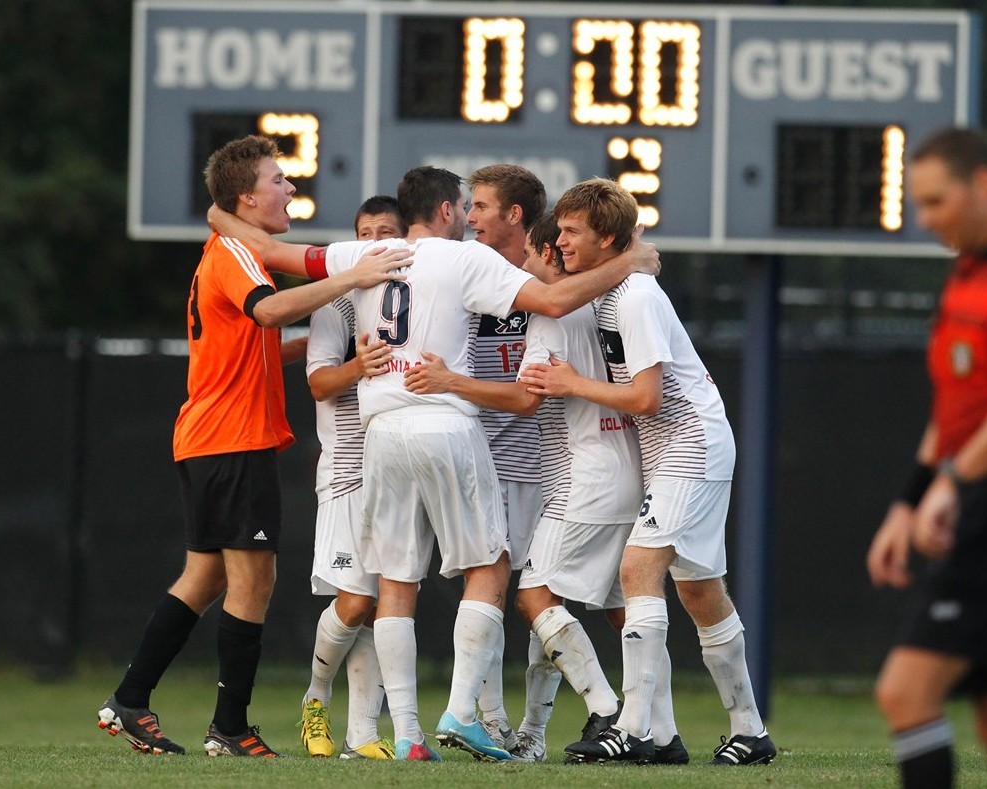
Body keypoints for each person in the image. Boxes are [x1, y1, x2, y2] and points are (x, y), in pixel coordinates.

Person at [209, 165, 655, 762]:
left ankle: (409, 736)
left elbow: (267, 251)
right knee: (490, 568)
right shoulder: (463, 258)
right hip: (445, 421)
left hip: (381, 430)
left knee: (396, 581)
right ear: (446, 211)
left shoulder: (361, 255)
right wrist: (630, 261)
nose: (468, 217)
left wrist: (216, 213)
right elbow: (552, 297)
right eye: (464, 207)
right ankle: (462, 714)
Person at [96, 135, 410, 758]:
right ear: (246, 197)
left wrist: (327, 349)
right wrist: (353, 275)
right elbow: (267, 313)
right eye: (278, 180)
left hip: (212, 437)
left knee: (206, 575)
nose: (290, 189)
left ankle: (130, 699)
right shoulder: (237, 250)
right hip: (231, 439)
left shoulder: (231, 250)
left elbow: (256, 343)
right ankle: (230, 727)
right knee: (254, 579)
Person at [404, 212, 685, 765]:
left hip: (585, 477)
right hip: (621, 468)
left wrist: (449, 381)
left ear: (548, 255)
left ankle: (608, 711)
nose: (525, 263)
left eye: (534, 253)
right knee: (622, 611)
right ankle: (662, 733)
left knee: (534, 597)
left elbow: (525, 398)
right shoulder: (602, 304)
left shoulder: (551, 319)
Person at [521, 177, 775, 765]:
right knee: (700, 590)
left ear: (608, 238)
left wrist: (569, 383)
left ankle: (633, 727)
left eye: (572, 230)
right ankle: (750, 731)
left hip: (690, 443)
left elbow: (646, 398)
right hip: (679, 448)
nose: (561, 240)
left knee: (638, 569)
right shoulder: (614, 288)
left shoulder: (633, 296)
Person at [866, 126, 987, 789]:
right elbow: (956, 406)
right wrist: (910, 498)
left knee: (906, 690)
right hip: (978, 496)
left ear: (982, 184)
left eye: (935, 201)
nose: (925, 219)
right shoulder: (968, 272)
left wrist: (953, 481)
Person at [297, 196, 405, 761]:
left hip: (399, 466)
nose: (375, 243)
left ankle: (362, 734)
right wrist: (359, 368)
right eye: (365, 233)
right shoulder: (337, 298)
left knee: (384, 601)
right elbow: (318, 383)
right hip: (348, 469)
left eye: (386, 232)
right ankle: (315, 698)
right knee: (356, 599)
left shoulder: (415, 295)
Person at [462, 165, 549, 752]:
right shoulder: (467, 275)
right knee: (487, 591)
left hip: (555, 467)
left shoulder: (553, 280)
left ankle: (535, 732)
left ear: (514, 215)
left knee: (546, 600)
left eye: (481, 206)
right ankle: (491, 721)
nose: (470, 217)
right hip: (487, 464)